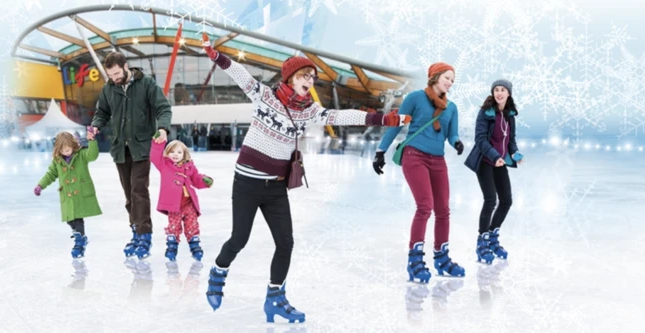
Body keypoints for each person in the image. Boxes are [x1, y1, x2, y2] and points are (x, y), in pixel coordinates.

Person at [200, 33, 408, 323]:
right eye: (304, 75)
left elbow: (341, 116)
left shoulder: (310, 112)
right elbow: (240, 73)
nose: (310, 80)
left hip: (275, 187)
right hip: (246, 182)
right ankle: (218, 273)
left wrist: (383, 119)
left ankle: (275, 298)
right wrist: (214, 55)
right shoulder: (264, 96)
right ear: (290, 78)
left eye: (312, 76)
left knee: (285, 243)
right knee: (239, 239)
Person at [372, 62, 466, 283]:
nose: (450, 82)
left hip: (438, 160)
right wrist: (380, 151)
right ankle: (415, 262)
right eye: (447, 77)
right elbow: (396, 125)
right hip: (415, 157)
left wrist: (457, 142)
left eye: (453, 80)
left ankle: (442, 259)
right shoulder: (415, 98)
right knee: (425, 206)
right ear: (434, 77)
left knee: (443, 209)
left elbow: (451, 134)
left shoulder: (451, 108)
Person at [88, 52, 173, 259]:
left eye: (117, 73)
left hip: (142, 147)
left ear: (126, 66)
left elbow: (163, 108)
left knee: (138, 190)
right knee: (129, 196)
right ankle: (135, 231)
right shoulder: (109, 89)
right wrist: (96, 126)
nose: (115, 78)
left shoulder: (146, 84)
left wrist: (162, 128)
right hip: (120, 149)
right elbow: (102, 113)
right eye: (111, 75)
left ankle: (145, 236)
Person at [464, 79, 523, 264]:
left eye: (502, 90)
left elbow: (510, 139)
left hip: (499, 162)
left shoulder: (509, 116)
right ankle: (482, 242)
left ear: (508, 94)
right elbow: (480, 138)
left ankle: (492, 236)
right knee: (490, 200)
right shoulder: (486, 112)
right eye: (496, 90)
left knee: (506, 201)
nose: (499, 93)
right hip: (485, 160)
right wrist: (495, 155)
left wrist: (515, 153)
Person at [34, 129, 102, 259]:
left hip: (80, 194)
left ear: (73, 146)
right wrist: (40, 185)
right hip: (67, 195)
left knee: (78, 218)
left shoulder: (81, 155)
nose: (66, 152)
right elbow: (51, 174)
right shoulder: (57, 161)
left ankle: (79, 241)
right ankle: (78, 235)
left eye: (68, 149)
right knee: (70, 219)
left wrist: (92, 141)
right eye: (63, 150)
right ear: (58, 149)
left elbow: (92, 155)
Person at [150, 138, 213, 262]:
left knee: (192, 225)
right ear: (167, 153)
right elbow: (154, 156)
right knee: (173, 226)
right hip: (174, 205)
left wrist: (204, 180)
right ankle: (172, 247)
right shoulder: (164, 165)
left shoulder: (189, 167)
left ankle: (195, 246)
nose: (175, 155)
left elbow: (196, 178)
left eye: (179, 152)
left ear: (184, 154)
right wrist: (158, 142)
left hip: (189, 204)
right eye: (172, 152)